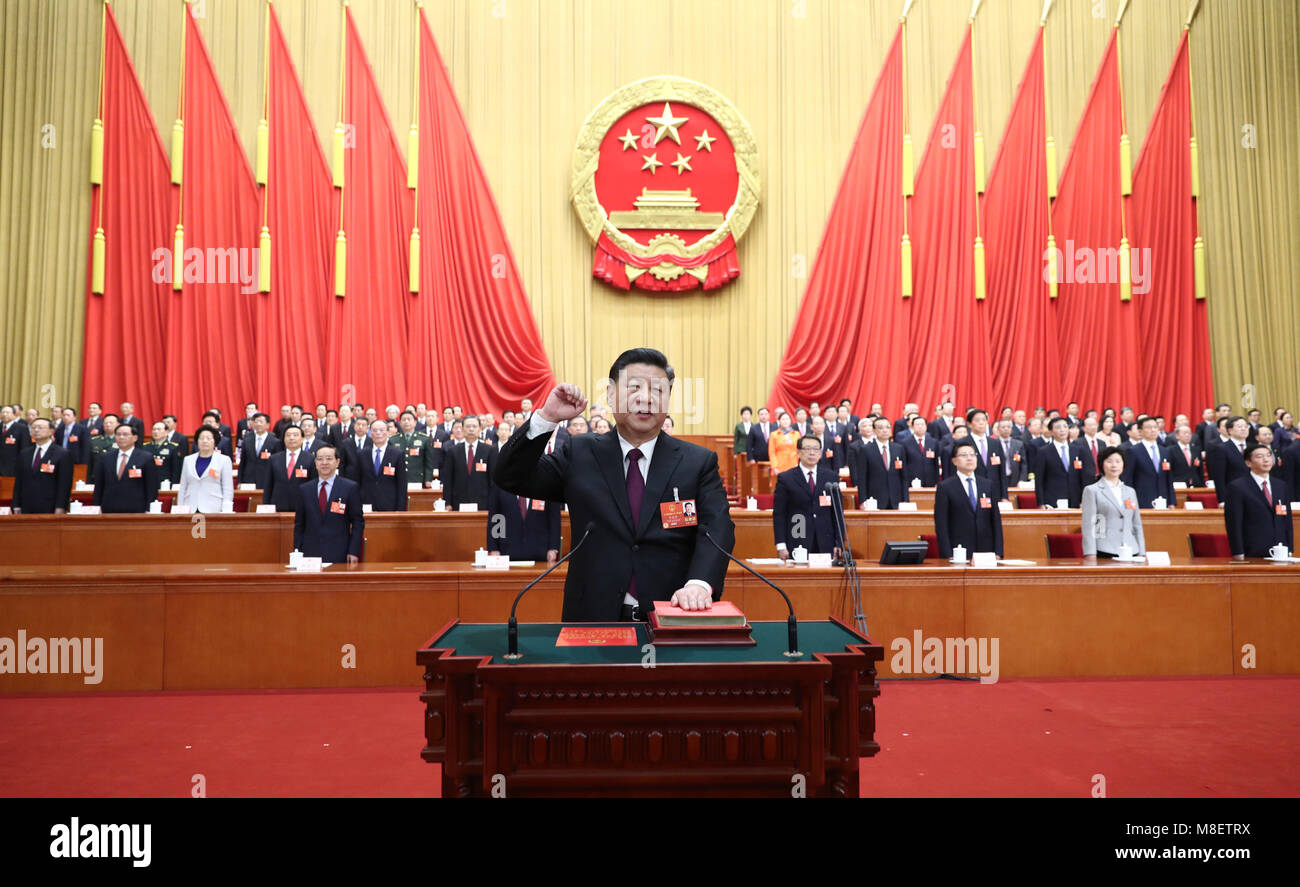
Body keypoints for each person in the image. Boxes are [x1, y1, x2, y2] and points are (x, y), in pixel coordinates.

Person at [493, 347, 735, 622]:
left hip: (672, 613)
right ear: (610, 394)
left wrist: (699, 583)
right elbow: (509, 477)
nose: (646, 398)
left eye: (657, 390)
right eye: (634, 388)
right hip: (593, 617)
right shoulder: (579, 453)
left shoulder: (697, 461)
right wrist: (546, 418)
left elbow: (718, 527)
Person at [772, 434, 840, 559]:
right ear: (798, 453)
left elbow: (837, 513)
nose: (812, 453)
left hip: (826, 540)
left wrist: (839, 543)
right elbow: (779, 514)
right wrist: (781, 545)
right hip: (798, 537)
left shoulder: (831, 478)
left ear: (820, 453)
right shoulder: (786, 478)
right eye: (807, 449)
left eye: (816, 449)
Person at [293, 445, 363, 565]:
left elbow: (358, 522)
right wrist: (297, 551)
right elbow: (299, 524)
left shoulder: (349, 487)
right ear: (315, 463)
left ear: (337, 462)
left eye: (329, 458)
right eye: (320, 459)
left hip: (340, 552)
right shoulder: (304, 489)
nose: (324, 462)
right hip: (310, 553)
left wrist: (354, 551)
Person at [934, 440, 1003, 558]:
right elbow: (941, 524)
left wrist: (998, 551)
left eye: (972, 454)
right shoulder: (945, 487)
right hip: (959, 550)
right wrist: (947, 554)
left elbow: (995, 520)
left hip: (986, 549)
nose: (969, 458)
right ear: (954, 461)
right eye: (964, 455)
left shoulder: (987, 485)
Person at [1225, 443, 1293, 559]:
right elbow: (1234, 523)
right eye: (1260, 457)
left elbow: (1287, 519)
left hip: (1280, 549)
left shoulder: (1281, 485)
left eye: (1268, 456)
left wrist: (1290, 548)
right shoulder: (1237, 487)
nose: (1266, 460)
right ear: (1248, 463)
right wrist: (1238, 552)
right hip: (1252, 550)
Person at [1081, 447, 1146, 559]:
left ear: (1123, 465)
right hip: (1105, 549)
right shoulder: (1092, 490)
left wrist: (1142, 551)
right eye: (1109, 461)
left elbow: (1136, 524)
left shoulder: (1130, 491)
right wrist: (1090, 552)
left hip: (1131, 549)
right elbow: (1090, 524)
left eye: (1118, 461)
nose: (1114, 465)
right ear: (1102, 464)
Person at [92, 422, 159, 513]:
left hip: (136, 509)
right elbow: (99, 485)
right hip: (109, 508)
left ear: (135, 438)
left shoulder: (146, 458)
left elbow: (151, 487)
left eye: (125, 434)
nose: (121, 437)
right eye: (118, 434)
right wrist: (96, 507)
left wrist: (149, 509)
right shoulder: (106, 457)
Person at [486, 486, 562, 563]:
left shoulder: (546, 484)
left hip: (540, 553)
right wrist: (494, 548)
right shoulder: (500, 484)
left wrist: (553, 548)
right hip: (507, 553)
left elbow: (554, 519)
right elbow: (495, 518)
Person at [12, 418, 73, 514]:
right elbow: (19, 481)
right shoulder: (24, 453)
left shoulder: (62, 454)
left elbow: (64, 484)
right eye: (33, 427)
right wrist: (16, 505)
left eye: (40, 427)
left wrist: (60, 506)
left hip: (50, 506)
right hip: (26, 505)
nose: (36, 430)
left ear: (51, 431)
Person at [176, 426, 234, 513]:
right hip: (190, 507)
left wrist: (226, 509)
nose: (205, 441)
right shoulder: (188, 460)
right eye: (201, 438)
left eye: (208, 438)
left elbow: (227, 488)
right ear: (197, 441)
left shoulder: (224, 460)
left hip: (214, 508)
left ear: (214, 441)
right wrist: (180, 507)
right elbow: (183, 486)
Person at [1122, 416, 1176, 508]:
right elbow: (1128, 479)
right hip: (1141, 500)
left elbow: (1168, 478)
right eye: (1149, 427)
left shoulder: (1165, 451)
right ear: (1140, 431)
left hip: (1163, 500)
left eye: (1155, 427)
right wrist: (1129, 502)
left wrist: (1171, 502)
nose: (1153, 430)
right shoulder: (1133, 451)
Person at [443, 415, 494, 510]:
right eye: (467, 426)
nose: (471, 429)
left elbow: (492, 480)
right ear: (462, 429)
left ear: (480, 429)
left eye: (474, 426)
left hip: (483, 502)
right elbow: (448, 480)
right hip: (458, 502)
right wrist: (447, 503)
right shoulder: (453, 451)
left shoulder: (489, 450)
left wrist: (494, 502)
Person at [856, 416, 908, 509]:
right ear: (874, 430)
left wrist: (906, 499)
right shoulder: (866, 449)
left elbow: (904, 477)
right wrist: (862, 501)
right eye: (880, 428)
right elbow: (862, 478)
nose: (885, 430)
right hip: (874, 499)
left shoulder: (899, 448)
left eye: (887, 427)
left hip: (896, 499)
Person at [357, 417, 408, 512]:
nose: (378, 433)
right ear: (370, 433)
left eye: (381, 430)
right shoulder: (362, 454)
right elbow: (358, 481)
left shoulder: (397, 454)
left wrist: (401, 509)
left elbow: (402, 484)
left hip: (390, 504)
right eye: (375, 430)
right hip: (366, 503)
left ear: (388, 433)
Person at [264, 425, 317, 512]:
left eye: (295, 435)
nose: (291, 438)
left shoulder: (311, 458)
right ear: (284, 439)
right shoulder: (274, 459)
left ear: (302, 438)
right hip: (278, 505)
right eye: (288, 435)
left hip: (302, 505)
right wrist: (266, 505)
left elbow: (314, 484)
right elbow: (268, 485)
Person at [1035, 417, 1084, 508]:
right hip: (1052, 500)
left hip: (1075, 500)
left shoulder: (1077, 450)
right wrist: (1041, 503)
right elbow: (1039, 480)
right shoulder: (1044, 451)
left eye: (1065, 426)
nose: (1062, 430)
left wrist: (1083, 500)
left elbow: (1082, 477)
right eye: (1058, 427)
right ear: (1051, 432)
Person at [965, 409, 1009, 501]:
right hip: (971, 491)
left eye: (984, 420)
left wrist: (1004, 496)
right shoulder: (963, 443)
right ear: (969, 424)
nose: (981, 423)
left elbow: (1002, 472)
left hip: (994, 491)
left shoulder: (995, 443)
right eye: (977, 420)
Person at [1206, 415, 1251, 503]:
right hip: (1233, 494)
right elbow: (1219, 477)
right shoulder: (1221, 448)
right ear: (1230, 430)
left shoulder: (1253, 447)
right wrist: (1222, 500)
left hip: (1254, 493)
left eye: (1246, 426)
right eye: (1239, 426)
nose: (1243, 429)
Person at [238, 413, 281, 490]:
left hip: (267, 479)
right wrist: (239, 481)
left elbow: (277, 465)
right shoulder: (247, 440)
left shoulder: (275, 442)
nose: (258, 424)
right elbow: (242, 463)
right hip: (248, 480)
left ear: (268, 425)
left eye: (261, 422)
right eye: (256, 422)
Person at [393, 410, 436, 488]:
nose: (406, 422)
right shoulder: (393, 440)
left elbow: (429, 462)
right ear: (400, 423)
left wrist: (428, 479)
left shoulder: (424, 439)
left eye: (409, 419)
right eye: (403, 419)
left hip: (418, 479)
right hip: (398, 479)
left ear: (415, 422)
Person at [900, 414, 940, 487]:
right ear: (912, 427)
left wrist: (937, 481)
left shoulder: (933, 442)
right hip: (912, 480)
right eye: (917, 424)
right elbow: (904, 464)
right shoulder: (905, 443)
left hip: (930, 480)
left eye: (922, 424)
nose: (920, 426)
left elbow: (936, 463)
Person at [143, 421, 183, 486]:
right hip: (147, 483)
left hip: (165, 484)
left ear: (166, 432)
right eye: (154, 429)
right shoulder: (145, 447)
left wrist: (173, 486)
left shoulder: (173, 447)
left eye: (159, 429)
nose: (155, 431)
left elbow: (176, 471)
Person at [0, 405, 30, 476]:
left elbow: (24, 448)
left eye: (7, 412)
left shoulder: (22, 428)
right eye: (2, 412)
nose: (4, 414)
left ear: (14, 415)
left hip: (12, 467)